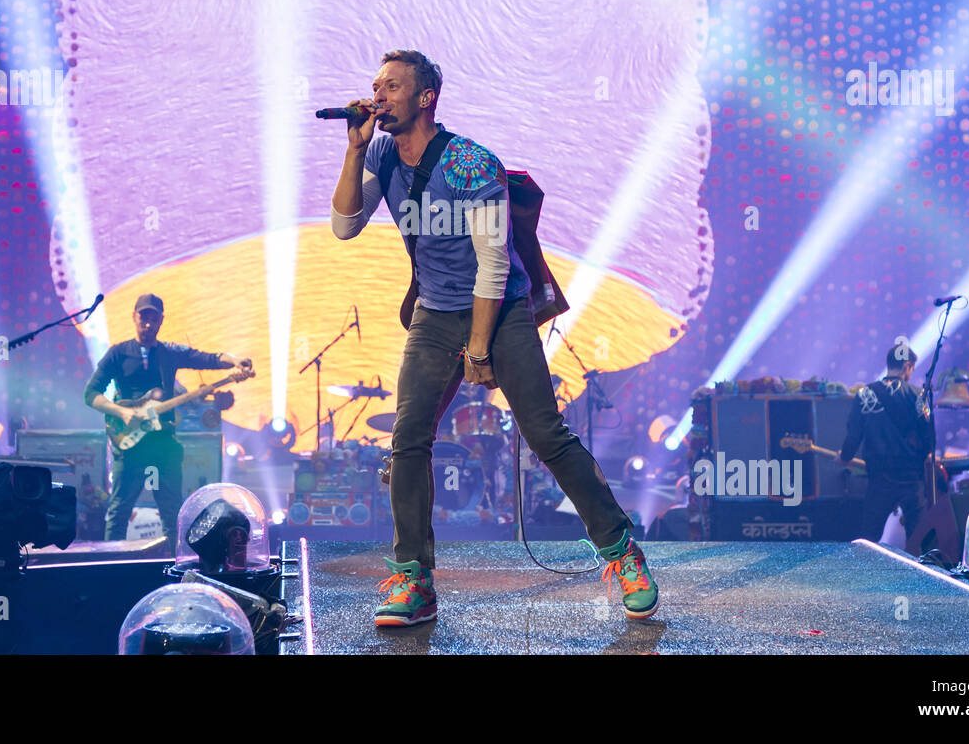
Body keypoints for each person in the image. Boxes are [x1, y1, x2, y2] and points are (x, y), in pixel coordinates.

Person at [330, 49, 658, 625]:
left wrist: (479, 349)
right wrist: (354, 151)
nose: (377, 95)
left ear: (425, 97)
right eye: (374, 85)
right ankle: (414, 580)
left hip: (499, 309)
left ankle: (621, 552)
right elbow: (345, 225)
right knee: (407, 439)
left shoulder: (472, 165)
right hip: (434, 313)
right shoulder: (380, 151)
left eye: (391, 87)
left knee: (545, 433)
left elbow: (494, 264)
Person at [84, 293, 250, 549]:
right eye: (143, 317)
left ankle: (172, 570)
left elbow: (207, 358)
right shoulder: (118, 353)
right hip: (130, 447)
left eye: (154, 318)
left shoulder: (169, 352)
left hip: (163, 446)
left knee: (172, 513)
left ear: (161, 320)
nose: (148, 324)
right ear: (134, 317)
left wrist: (235, 361)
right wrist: (121, 412)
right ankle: (111, 565)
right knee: (119, 512)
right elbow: (91, 394)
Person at [838, 344, 936, 542]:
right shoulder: (920, 396)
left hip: (879, 478)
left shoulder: (864, 395)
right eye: (912, 369)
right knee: (918, 539)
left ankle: (866, 573)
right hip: (911, 478)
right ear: (907, 366)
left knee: (869, 540)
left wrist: (844, 457)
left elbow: (853, 436)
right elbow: (929, 439)